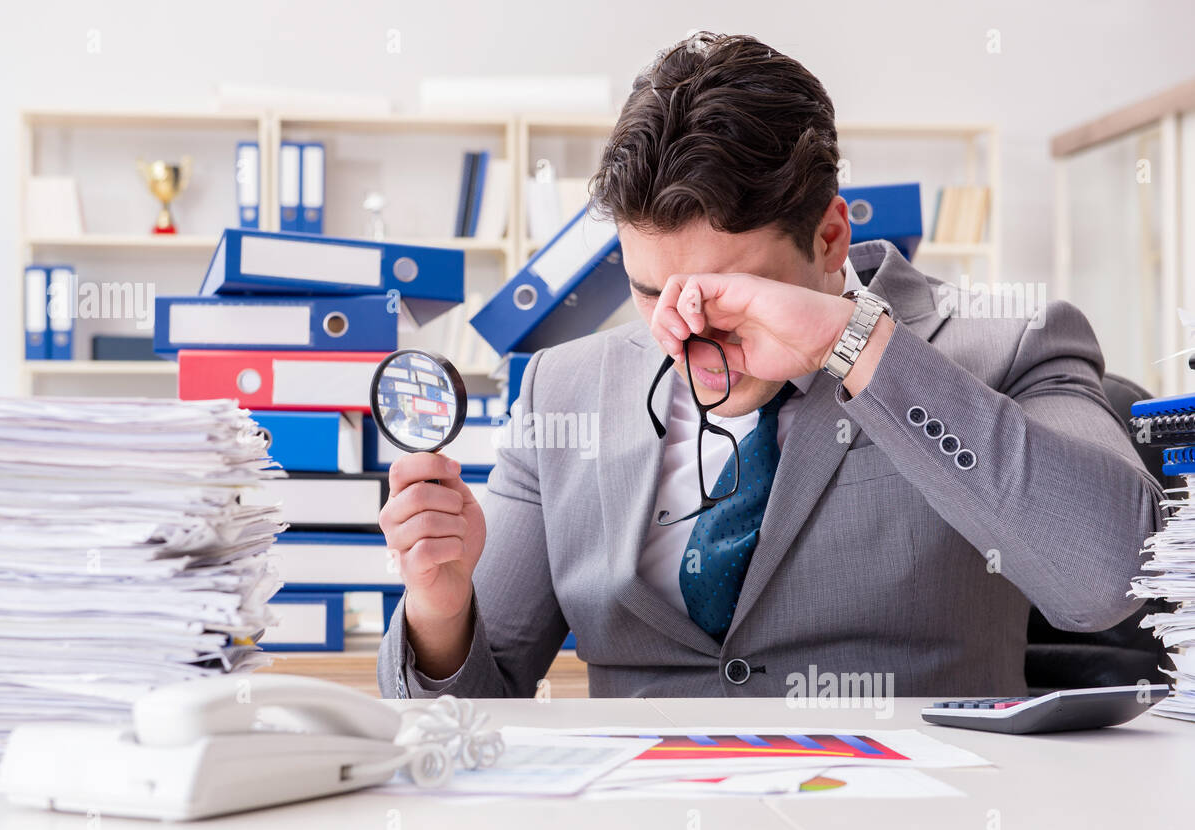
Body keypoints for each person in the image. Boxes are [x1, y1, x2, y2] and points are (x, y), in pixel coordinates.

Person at [377, 32, 1162, 698]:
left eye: (728, 294)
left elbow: (1112, 581)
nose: (686, 334)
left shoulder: (1008, 342)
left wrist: (848, 345)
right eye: (652, 291)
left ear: (829, 239)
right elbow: (478, 708)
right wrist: (440, 610)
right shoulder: (565, 387)